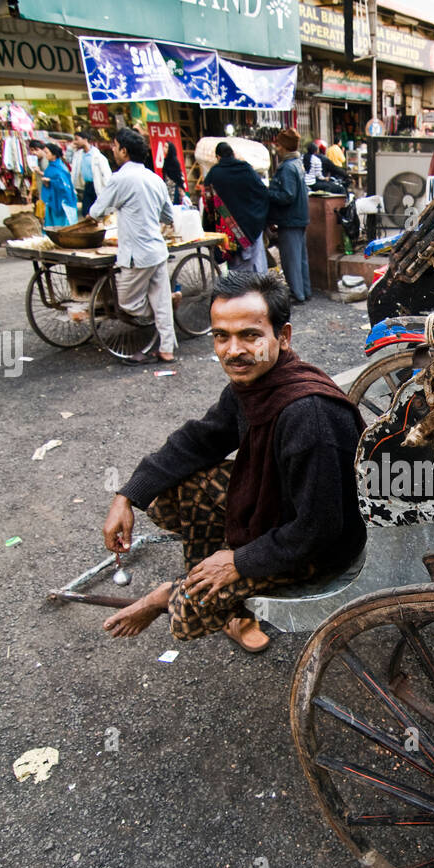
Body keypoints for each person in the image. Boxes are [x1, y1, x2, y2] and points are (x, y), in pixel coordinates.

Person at [100, 270, 366, 653]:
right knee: (179, 487)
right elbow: (199, 439)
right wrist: (126, 496)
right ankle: (223, 596)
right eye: (221, 336)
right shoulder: (253, 383)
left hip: (322, 549)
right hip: (284, 511)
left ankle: (169, 594)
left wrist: (240, 561)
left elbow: (319, 529)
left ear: (283, 337)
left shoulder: (309, 416)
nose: (233, 350)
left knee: (192, 604)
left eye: (250, 335)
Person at [89, 127, 177, 363]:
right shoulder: (154, 178)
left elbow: (96, 211)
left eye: (115, 147)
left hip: (136, 254)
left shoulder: (120, 178)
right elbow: (168, 215)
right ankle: (166, 348)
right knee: (161, 301)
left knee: (128, 303)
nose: (114, 151)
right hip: (157, 249)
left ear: (124, 151)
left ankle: (161, 312)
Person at [203, 141, 269, 275]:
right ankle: (259, 293)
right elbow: (262, 192)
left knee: (236, 269)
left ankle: (240, 293)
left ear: (218, 157)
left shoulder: (214, 174)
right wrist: (258, 215)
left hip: (230, 230)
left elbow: (208, 201)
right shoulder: (246, 169)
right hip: (251, 224)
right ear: (233, 154)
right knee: (257, 265)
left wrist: (211, 220)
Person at [266, 128, 311, 304]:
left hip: (290, 219)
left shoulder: (287, 167)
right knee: (300, 259)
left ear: (283, 146)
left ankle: (297, 294)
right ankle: (304, 291)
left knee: (291, 260)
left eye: (278, 145)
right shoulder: (297, 164)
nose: (277, 148)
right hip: (299, 217)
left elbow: (287, 195)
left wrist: (268, 193)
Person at [70, 128, 112, 217]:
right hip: (87, 185)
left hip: (97, 185)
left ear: (85, 140)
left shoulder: (97, 156)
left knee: (100, 212)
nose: (75, 142)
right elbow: (69, 160)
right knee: (86, 212)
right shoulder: (78, 155)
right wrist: (70, 148)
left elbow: (106, 175)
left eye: (77, 139)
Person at [40, 143, 77, 228]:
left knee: (63, 226)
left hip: (62, 202)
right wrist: (47, 183)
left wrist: (51, 181)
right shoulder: (50, 167)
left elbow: (65, 185)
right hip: (52, 200)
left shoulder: (60, 167)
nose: (45, 155)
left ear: (54, 154)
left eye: (47, 153)